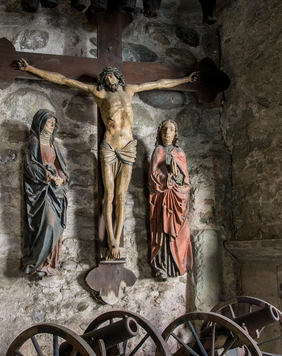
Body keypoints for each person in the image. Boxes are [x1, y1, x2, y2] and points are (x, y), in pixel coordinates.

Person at [14, 59, 197, 260]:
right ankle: (110, 240)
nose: (110, 79)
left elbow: (158, 83)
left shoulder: (130, 90)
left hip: (128, 148)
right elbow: (65, 80)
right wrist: (31, 68)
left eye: (112, 75)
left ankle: (117, 240)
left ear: (119, 77)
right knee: (108, 196)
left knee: (121, 197)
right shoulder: (100, 95)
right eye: (106, 77)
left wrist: (186, 79)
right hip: (109, 147)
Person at [21, 110, 69, 277]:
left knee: (56, 226)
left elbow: (62, 168)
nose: (52, 125)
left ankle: (50, 263)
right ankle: (37, 262)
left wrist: (61, 178)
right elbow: (30, 166)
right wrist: (47, 174)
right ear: (40, 122)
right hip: (42, 190)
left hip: (56, 191)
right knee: (47, 223)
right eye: (49, 122)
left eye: (54, 123)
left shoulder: (54, 145)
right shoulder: (34, 142)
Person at [148, 120, 192, 278]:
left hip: (177, 199)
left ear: (175, 134)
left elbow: (185, 181)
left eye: (171, 130)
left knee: (178, 232)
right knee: (162, 232)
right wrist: (168, 176)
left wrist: (177, 177)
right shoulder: (158, 151)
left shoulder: (179, 153)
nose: (167, 133)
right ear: (160, 133)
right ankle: (161, 267)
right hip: (162, 199)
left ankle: (176, 265)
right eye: (165, 130)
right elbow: (153, 176)